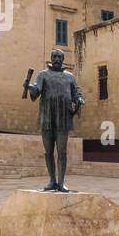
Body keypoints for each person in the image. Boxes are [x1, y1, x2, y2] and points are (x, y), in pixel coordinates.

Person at [24, 48, 84, 192]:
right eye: (54, 57)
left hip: (63, 118)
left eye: (59, 57)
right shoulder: (43, 75)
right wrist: (29, 86)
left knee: (62, 152)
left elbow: (77, 92)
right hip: (47, 117)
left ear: (63, 59)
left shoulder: (70, 77)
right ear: (51, 58)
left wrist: (79, 99)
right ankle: (52, 181)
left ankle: (61, 182)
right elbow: (36, 91)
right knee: (48, 152)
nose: (57, 59)